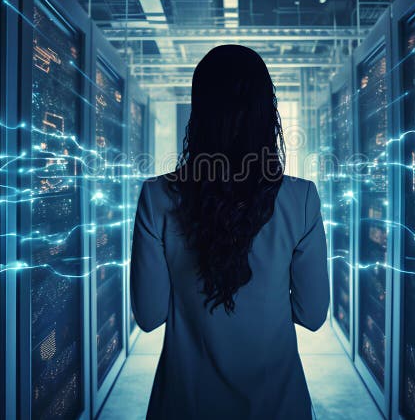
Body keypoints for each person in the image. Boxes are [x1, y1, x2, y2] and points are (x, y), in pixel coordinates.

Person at [130, 44, 329, 420]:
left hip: (184, 405)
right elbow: (313, 314)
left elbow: (150, 315)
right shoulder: (301, 199)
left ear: (199, 113)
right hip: (278, 407)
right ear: (265, 115)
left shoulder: (157, 198)